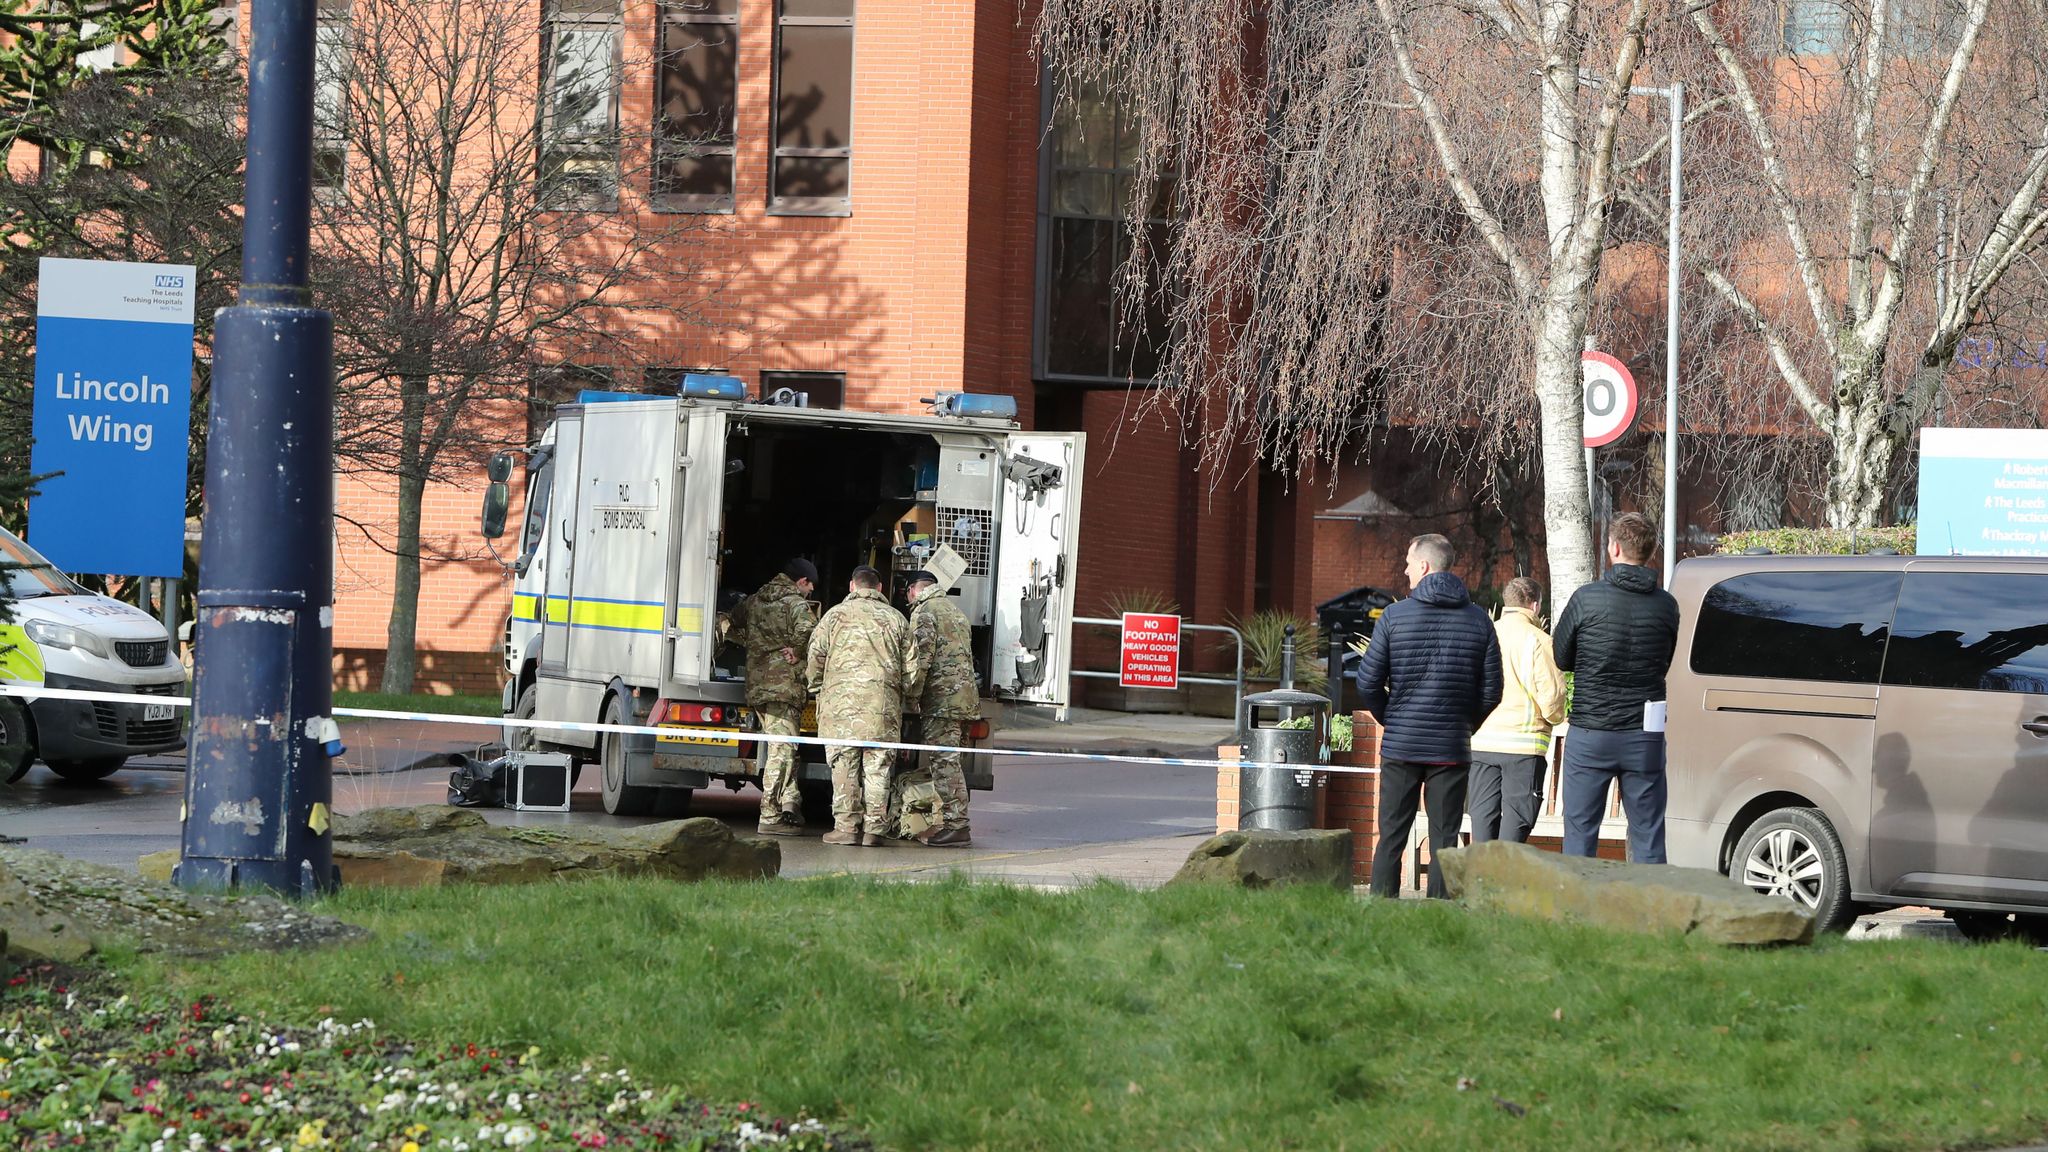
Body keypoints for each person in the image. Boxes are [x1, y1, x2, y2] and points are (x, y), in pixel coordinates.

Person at [1352, 533, 1502, 898]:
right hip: (1451, 748)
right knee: (1445, 840)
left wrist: (1394, 719)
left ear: (1423, 566)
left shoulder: (1394, 616)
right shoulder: (1479, 620)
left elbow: (1367, 681)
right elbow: (1492, 690)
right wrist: (1465, 724)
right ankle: (1438, 918)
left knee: (1390, 836)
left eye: (1407, 561)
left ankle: (1381, 914)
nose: (1404, 569)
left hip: (1402, 746)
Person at [1553, 511, 1680, 863]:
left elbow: (1562, 657)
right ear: (1650, 552)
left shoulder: (1586, 598)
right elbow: (1664, 662)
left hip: (1591, 731)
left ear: (1613, 547)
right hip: (1644, 734)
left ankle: (1578, 913)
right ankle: (1649, 914)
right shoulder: (1667, 606)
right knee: (1649, 834)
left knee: (1579, 833)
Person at [805, 565, 911, 846]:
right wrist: (907, 695)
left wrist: (816, 687)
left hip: (841, 709)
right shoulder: (897, 619)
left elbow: (815, 657)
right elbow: (913, 668)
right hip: (881, 708)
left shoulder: (833, 616)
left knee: (844, 766)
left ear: (852, 586)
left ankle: (847, 827)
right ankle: (875, 829)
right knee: (878, 768)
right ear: (879, 589)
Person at [1468, 576, 1567, 845]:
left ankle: (1480, 879)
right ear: (1535, 606)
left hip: (1482, 743)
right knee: (1516, 822)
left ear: (1506, 602)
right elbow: (1553, 700)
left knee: (1482, 819)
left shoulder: (1483, 634)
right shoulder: (1539, 641)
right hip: (1523, 746)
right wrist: (1555, 717)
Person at [729, 559, 817, 837]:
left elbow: (733, 619)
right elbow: (808, 631)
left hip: (757, 687)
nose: (810, 591)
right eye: (810, 586)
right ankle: (770, 814)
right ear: (801, 581)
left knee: (781, 745)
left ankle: (790, 801)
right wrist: (798, 651)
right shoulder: (796, 604)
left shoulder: (755, 600)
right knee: (783, 750)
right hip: (783, 688)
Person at [898, 570, 977, 847]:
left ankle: (957, 825)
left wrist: (911, 696)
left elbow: (921, 660)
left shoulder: (924, 613)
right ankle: (952, 821)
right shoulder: (956, 611)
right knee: (950, 761)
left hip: (941, 702)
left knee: (944, 763)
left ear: (913, 590)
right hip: (964, 699)